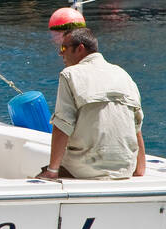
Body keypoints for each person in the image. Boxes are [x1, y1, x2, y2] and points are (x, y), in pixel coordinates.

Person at [39, 28, 146, 181]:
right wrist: (140, 168)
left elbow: (62, 125)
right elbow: (136, 126)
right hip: (124, 169)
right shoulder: (123, 74)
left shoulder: (70, 75)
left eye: (64, 48)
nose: (60, 53)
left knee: (41, 173)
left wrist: (52, 171)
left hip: (85, 168)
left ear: (80, 49)